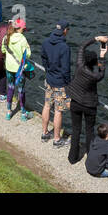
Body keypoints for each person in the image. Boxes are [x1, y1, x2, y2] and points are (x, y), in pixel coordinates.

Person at [66, 35, 108, 166]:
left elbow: (82, 46)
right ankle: (90, 157)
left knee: (76, 130)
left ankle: (73, 157)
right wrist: (102, 56)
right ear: (94, 63)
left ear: (84, 60)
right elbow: (101, 71)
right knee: (90, 131)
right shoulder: (95, 76)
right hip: (89, 106)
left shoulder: (79, 65)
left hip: (76, 103)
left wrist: (96, 38)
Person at [40, 20, 71, 148]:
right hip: (60, 83)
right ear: (65, 31)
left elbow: (43, 58)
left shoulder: (46, 42)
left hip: (49, 79)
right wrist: (68, 83)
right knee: (58, 111)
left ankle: (44, 133)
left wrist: (48, 71)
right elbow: (66, 69)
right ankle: (57, 139)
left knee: (47, 105)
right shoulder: (65, 47)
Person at [2, 18, 32, 121]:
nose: (24, 30)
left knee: (10, 87)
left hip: (9, 67)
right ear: (20, 28)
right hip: (20, 69)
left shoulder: (6, 37)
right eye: (23, 29)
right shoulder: (22, 39)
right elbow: (28, 54)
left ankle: (9, 112)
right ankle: (23, 113)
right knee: (21, 90)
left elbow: (3, 49)